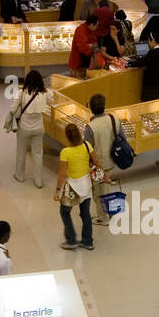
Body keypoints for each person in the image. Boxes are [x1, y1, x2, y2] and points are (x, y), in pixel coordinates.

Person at [56, 123, 96, 250]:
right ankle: (87, 241)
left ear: (67, 137)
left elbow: (62, 174)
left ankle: (71, 239)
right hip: (86, 186)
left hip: (72, 188)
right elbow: (96, 162)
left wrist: (57, 190)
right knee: (85, 214)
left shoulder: (65, 152)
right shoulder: (87, 145)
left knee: (65, 211)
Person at [10, 69, 53, 187]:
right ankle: (38, 180)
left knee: (21, 152)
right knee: (38, 154)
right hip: (39, 128)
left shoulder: (21, 93)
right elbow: (52, 101)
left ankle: (20, 176)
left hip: (23, 128)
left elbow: (12, 109)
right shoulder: (45, 93)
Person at [84, 94, 117, 226]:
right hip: (111, 160)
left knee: (98, 191)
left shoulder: (90, 127)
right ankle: (110, 212)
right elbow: (121, 136)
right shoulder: (113, 119)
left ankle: (103, 218)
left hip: (97, 165)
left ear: (91, 108)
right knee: (107, 187)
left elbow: (87, 148)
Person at [131, 33, 159, 102]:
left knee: (147, 99)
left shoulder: (152, 53)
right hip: (158, 80)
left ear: (153, 41)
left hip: (150, 80)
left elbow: (141, 62)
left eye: (149, 41)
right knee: (155, 98)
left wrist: (129, 63)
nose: (148, 43)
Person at [69, 13, 98, 78]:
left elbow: (93, 41)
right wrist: (92, 47)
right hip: (78, 61)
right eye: (96, 26)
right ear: (91, 24)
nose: (97, 28)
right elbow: (82, 47)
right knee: (77, 80)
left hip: (85, 61)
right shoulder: (80, 30)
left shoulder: (89, 30)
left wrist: (92, 45)